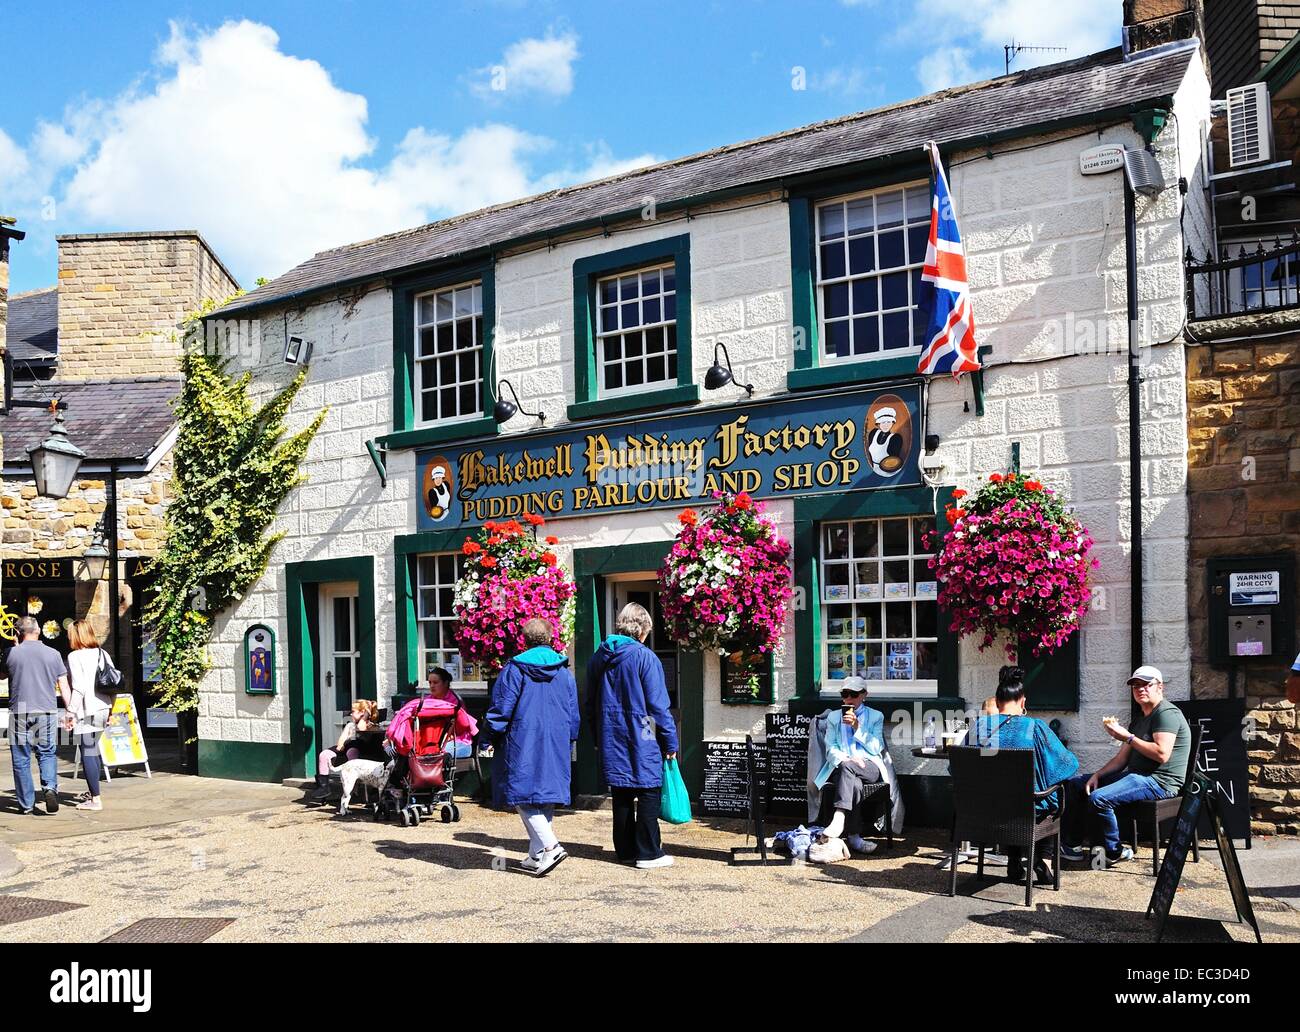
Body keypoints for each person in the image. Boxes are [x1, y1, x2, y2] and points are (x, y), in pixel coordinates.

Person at [1060, 665, 1192, 867]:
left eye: (1147, 684)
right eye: (1136, 685)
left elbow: (1162, 754)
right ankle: (1072, 846)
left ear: (1160, 687)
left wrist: (1128, 737)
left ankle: (1115, 851)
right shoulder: (1140, 720)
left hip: (1160, 782)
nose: (1140, 689)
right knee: (1077, 784)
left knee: (1099, 798)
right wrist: (1097, 774)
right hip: (1137, 777)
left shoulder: (1166, 714)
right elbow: (1121, 760)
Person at [589, 602, 679, 869]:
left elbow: (590, 702)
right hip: (644, 728)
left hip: (610, 732)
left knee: (622, 792)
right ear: (642, 629)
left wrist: (597, 737)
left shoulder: (599, 657)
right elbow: (657, 707)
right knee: (650, 788)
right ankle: (649, 853)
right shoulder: (645, 657)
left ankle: (626, 851)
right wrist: (669, 741)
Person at [486, 618, 579, 877]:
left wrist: (488, 737)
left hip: (522, 740)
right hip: (556, 739)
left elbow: (500, 709)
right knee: (544, 795)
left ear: (524, 640)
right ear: (550, 638)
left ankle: (550, 847)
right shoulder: (564, 672)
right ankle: (536, 854)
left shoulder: (515, 669)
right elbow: (573, 713)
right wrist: (570, 738)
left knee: (523, 795)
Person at [969, 666, 1079, 885]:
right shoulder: (1034, 727)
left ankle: (1013, 860)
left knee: (1006, 792)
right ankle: (1043, 859)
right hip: (1027, 810)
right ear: (1023, 702)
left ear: (997, 703)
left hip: (984, 811)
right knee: (1051, 792)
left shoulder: (978, 727)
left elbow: (957, 768)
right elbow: (1068, 763)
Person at [809, 683, 888, 855]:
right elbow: (831, 748)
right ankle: (854, 837)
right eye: (845, 694)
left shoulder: (876, 716)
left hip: (869, 765)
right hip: (843, 765)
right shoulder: (834, 717)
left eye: (853, 694)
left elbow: (876, 748)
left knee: (849, 771)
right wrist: (847, 759)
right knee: (854, 783)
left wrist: (857, 727)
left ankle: (839, 816)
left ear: (864, 695)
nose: (849, 699)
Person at [2, 616, 69, 815]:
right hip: (46, 710)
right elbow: (64, 685)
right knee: (47, 753)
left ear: (19, 633)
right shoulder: (53, 654)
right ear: (38, 630)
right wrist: (71, 710)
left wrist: (14, 647)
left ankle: (26, 804)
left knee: (21, 758)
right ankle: (49, 788)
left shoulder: (11, 653)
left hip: (19, 711)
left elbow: (2, 675)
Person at [62, 620, 116, 811]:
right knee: (93, 751)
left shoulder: (75, 656)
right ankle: (94, 793)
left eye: (70, 634)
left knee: (88, 753)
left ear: (76, 636)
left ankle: (95, 799)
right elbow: (113, 684)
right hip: (103, 708)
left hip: (87, 710)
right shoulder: (103, 653)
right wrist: (112, 710)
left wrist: (70, 712)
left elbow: (79, 689)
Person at [310, 699, 382, 803]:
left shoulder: (369, 725)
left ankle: (353, 786)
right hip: (346, 747)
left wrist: (365, 716)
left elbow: (361, 728)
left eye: (353, 711)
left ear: (362, 712)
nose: (350, 713)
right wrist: (341, 743)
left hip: (360, 750)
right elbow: (341, 741)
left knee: (352, 752)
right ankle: (323, 787)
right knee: (324, 755)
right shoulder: (350, 725)